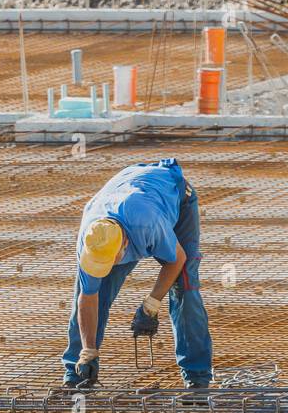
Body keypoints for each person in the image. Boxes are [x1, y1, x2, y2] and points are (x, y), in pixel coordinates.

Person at [63, 157, 213, 389]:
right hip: (128, 189)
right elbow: (87, 299)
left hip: (174, 195)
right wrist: (88, 350)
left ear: (123, 249)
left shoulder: (147, 225)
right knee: (89, 291)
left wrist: (151, 304)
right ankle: (77, 373)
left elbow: (176, 259)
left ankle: (197, 378)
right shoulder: (90, 241)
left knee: (184, 286)